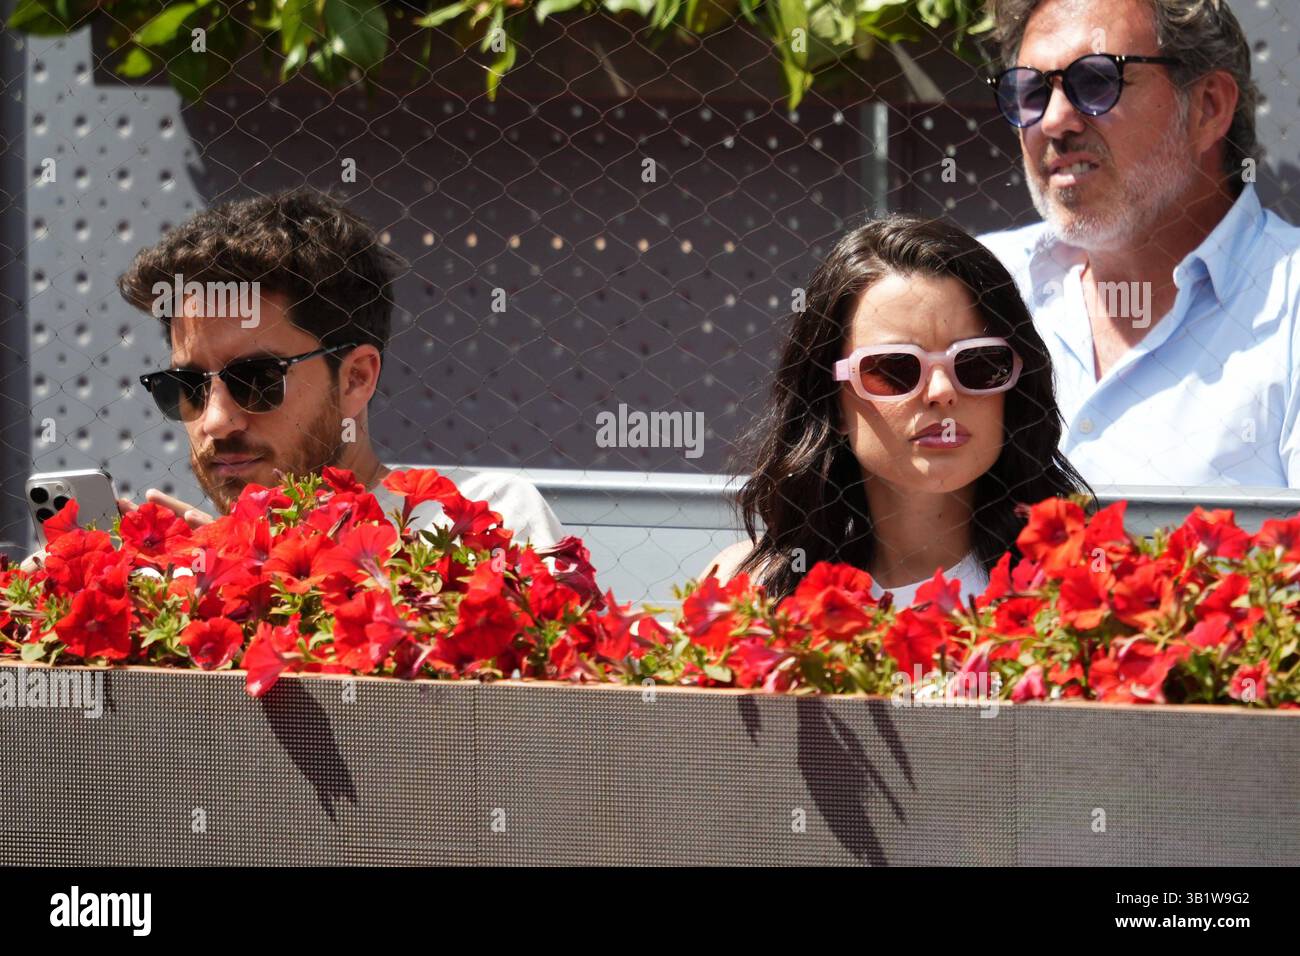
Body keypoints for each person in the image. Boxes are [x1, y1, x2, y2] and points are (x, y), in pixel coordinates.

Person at [113, 188, 564, 547]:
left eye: (257, 380)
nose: (216, 420)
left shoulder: (478, 518)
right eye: (189, 384)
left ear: (356, 378)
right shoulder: (185, 569)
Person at [978, 0, 1300, 487]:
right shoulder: (975, 282)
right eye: (1030, 90)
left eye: (1096, 81)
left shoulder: (1290, 304)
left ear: (1208, 107)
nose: (1054, 121)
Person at [702, 215, 1091, 606]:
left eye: (978, 364)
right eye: (894, 369)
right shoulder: (749, 593)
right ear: (831, 403)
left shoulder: (1085, 586)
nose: (941, 392)